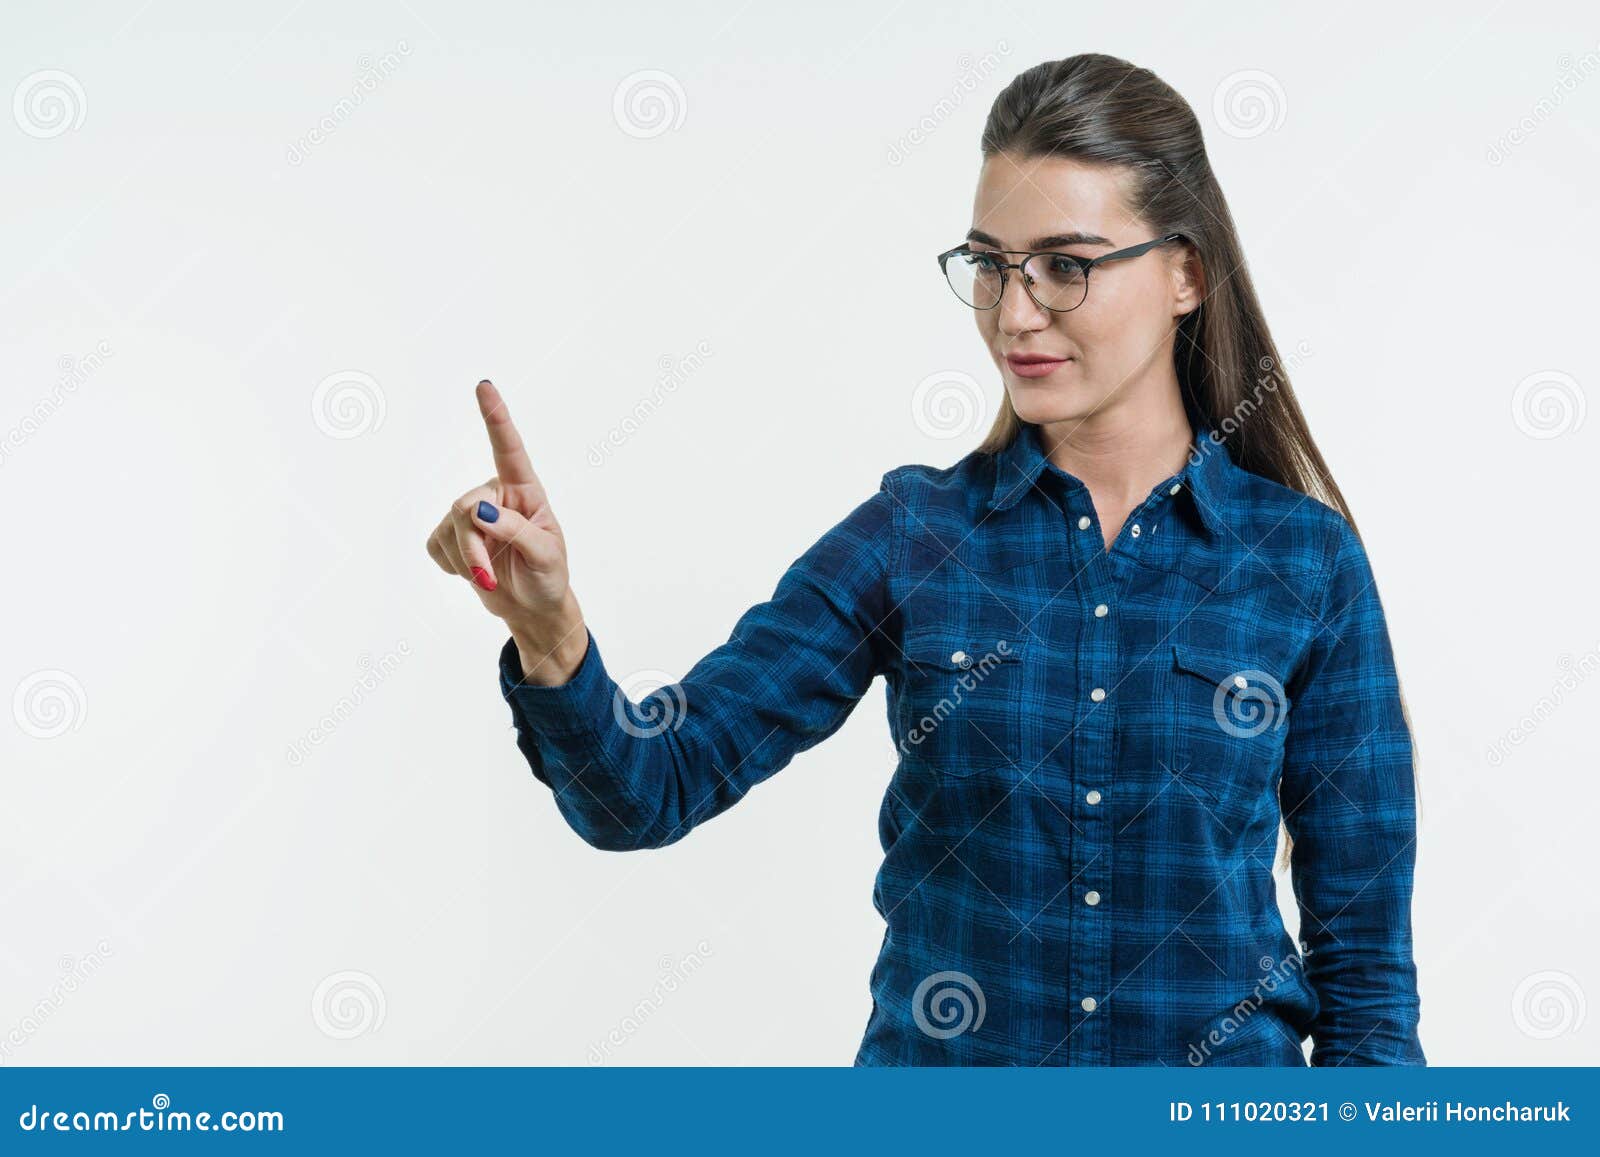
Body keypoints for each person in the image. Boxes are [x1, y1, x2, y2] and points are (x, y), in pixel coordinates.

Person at [424, 52, 1424, 1067]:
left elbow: (1367, 985)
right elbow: (648, 788)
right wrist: (546, 624)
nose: (1014, 312)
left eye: (1066, 265)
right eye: (991, 263)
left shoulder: (1302, 562)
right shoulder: (913, 536)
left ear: (1185, 272)